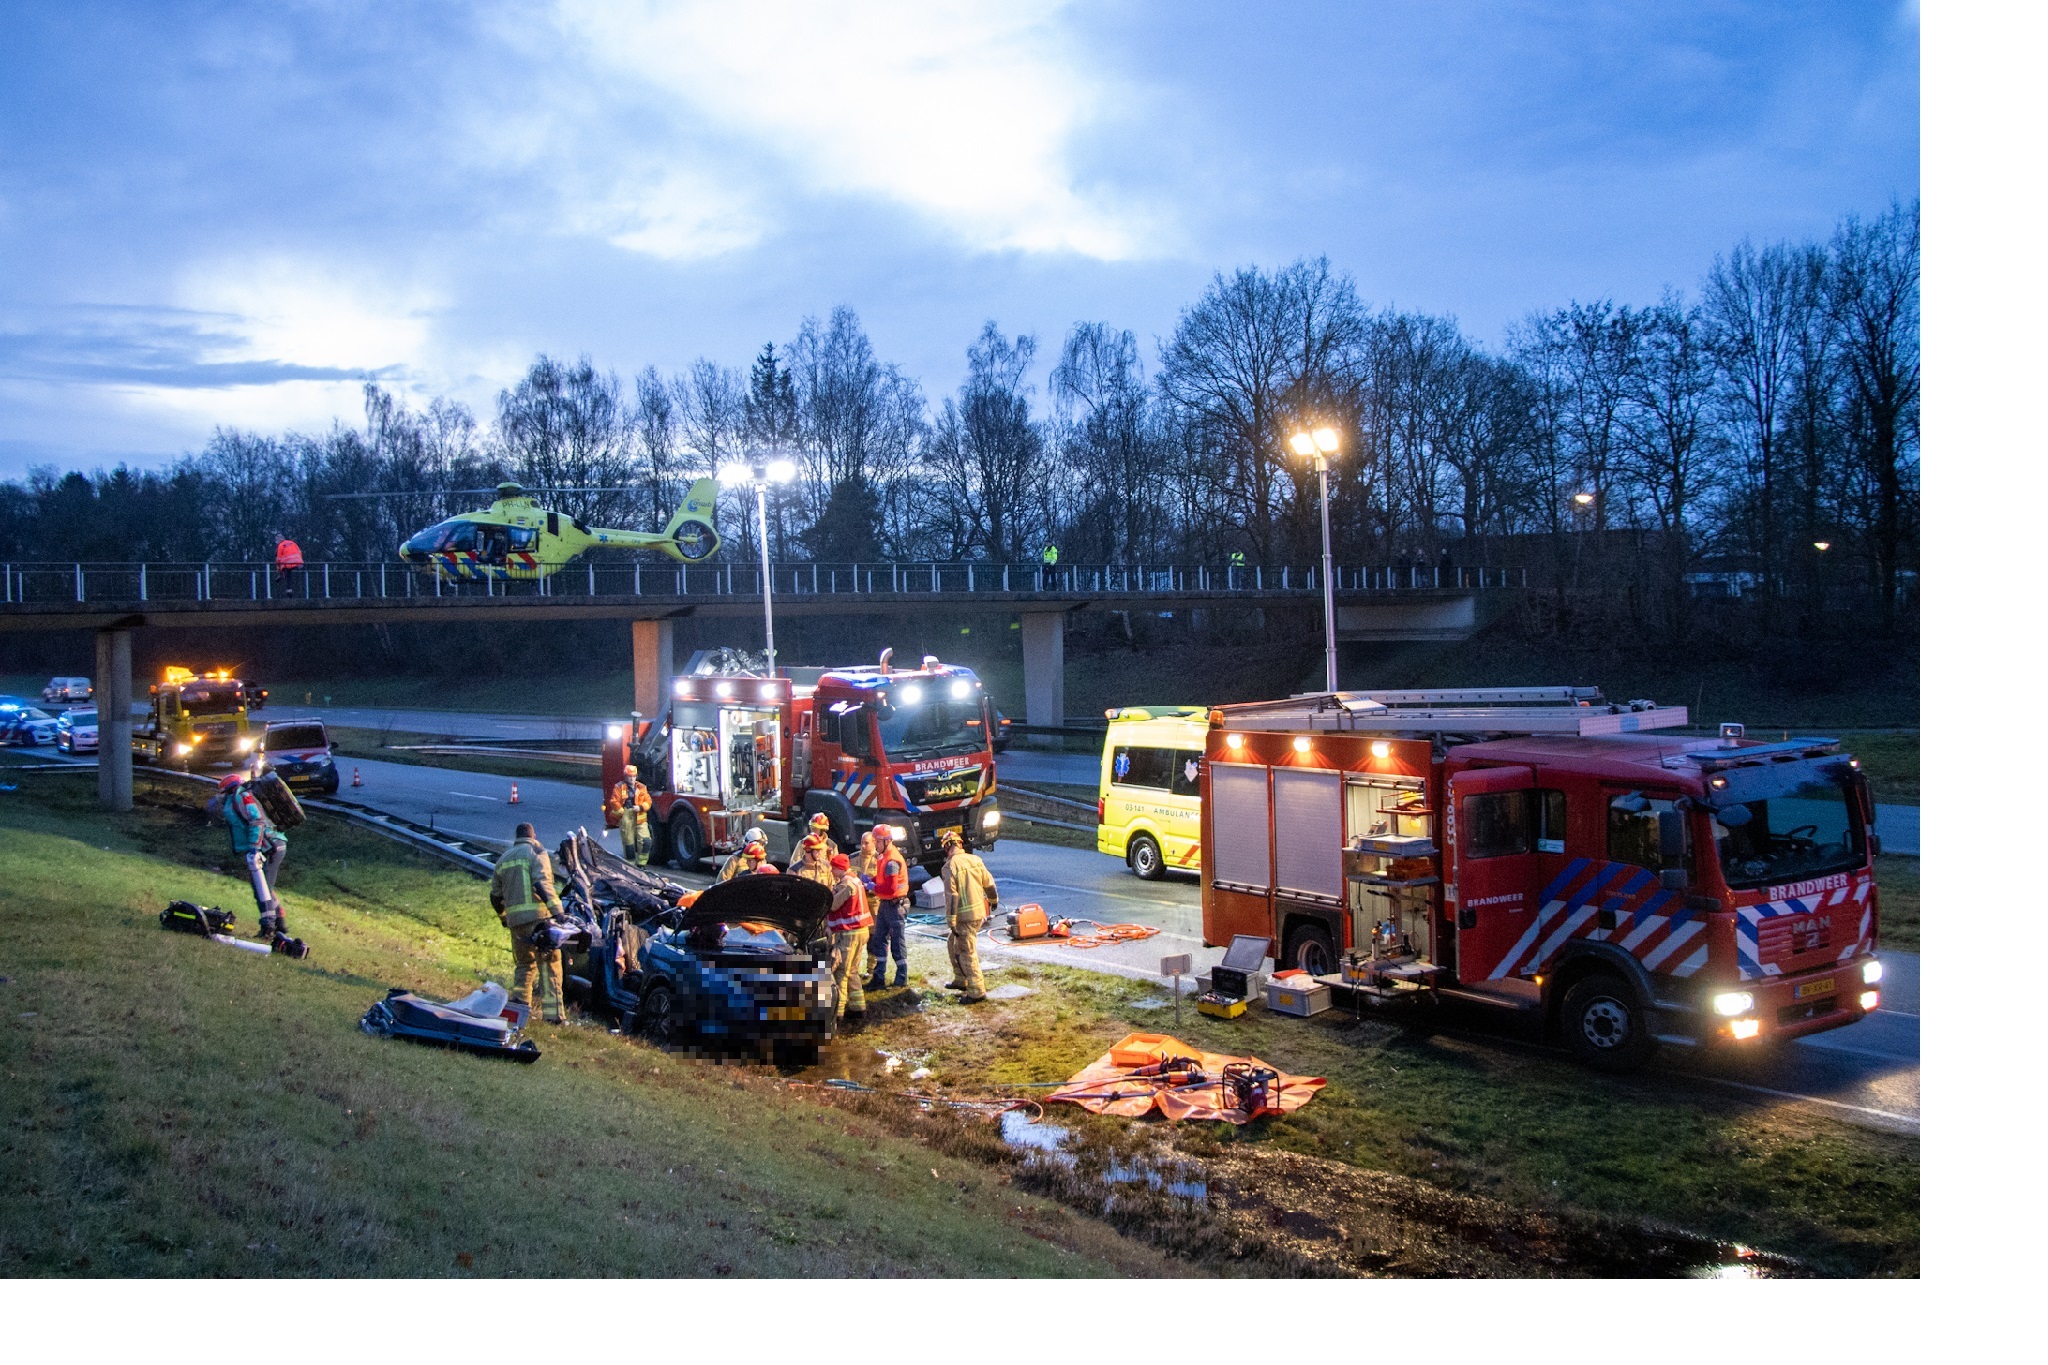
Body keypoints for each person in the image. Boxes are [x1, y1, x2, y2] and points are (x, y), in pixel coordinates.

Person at [491, 821, 566, 1024]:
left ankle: (520, 1010)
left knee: (524, 965)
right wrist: (558, 913)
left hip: (517, 924)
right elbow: (541, 883)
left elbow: (495, 897)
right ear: (533, 835)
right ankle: (553, 1017)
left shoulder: (503, 858)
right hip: (539, 919)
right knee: (549, 965)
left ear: (517, 837)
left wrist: (505, 919)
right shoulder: (536, 852)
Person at [219, 773, 290, 941]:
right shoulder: (240, 796)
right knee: (263, 887)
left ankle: (269, 928)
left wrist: (254, 848)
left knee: (262, 890)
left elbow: (256, 821)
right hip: (270, 845)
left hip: (270, 846)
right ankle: (279, 923)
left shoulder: (242, 797)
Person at [939, 828, 997, 1003]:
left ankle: (976, 991)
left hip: (964, 918)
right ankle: (961, 979)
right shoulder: (975, 860)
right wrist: (993, 901)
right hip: (978, 914)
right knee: (952, 942)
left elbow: (952, 895)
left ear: (947, 847)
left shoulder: (949, 866)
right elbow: (990, 883)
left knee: (967, 951)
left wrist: (951, 921)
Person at [826, 853, 873, 1024]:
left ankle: (837, 1014)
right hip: (861, 932)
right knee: (853, 971)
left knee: (841, 972)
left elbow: (833, 905)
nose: (831, 871)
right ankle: (858, 1007)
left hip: (850, 934)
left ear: (839, 868)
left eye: (833, 868)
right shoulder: (856, 880)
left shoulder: (846, 883)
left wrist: (829, 894)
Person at [864, 824, 911, 991]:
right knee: (878, 940)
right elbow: (882, 878)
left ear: (887, 841)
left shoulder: (892, 861)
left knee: (897, 943)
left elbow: (891, 889)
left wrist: (872, 886)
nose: (875, 844)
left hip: (895, 905)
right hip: (886, 905)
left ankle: (901, 978)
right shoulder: (883, 857)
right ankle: (879, 977)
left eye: (877, 841)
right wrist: (871, 880)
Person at [607, 764, 654, 866]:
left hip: (640, 817)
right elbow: (614, 801)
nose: (632, 778)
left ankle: (642, 864)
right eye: (629, 776)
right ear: (625, 776)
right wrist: (621, 812)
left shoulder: (642, 787)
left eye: (633, 776)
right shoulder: (619, 787)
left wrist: (641, 807)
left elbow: (648, 801)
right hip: (626, 816)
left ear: (636, 776)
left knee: (646, 841)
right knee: (629, 844)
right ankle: (631, 866)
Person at [793, 812, 837, 887]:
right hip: (807, 878)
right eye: (811, 828)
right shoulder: (804, 843)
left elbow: (836, 867)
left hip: (824, 880)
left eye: (815, 829)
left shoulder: (831, 845)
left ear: (823, 830)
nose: (812, 831)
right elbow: (794, 862)